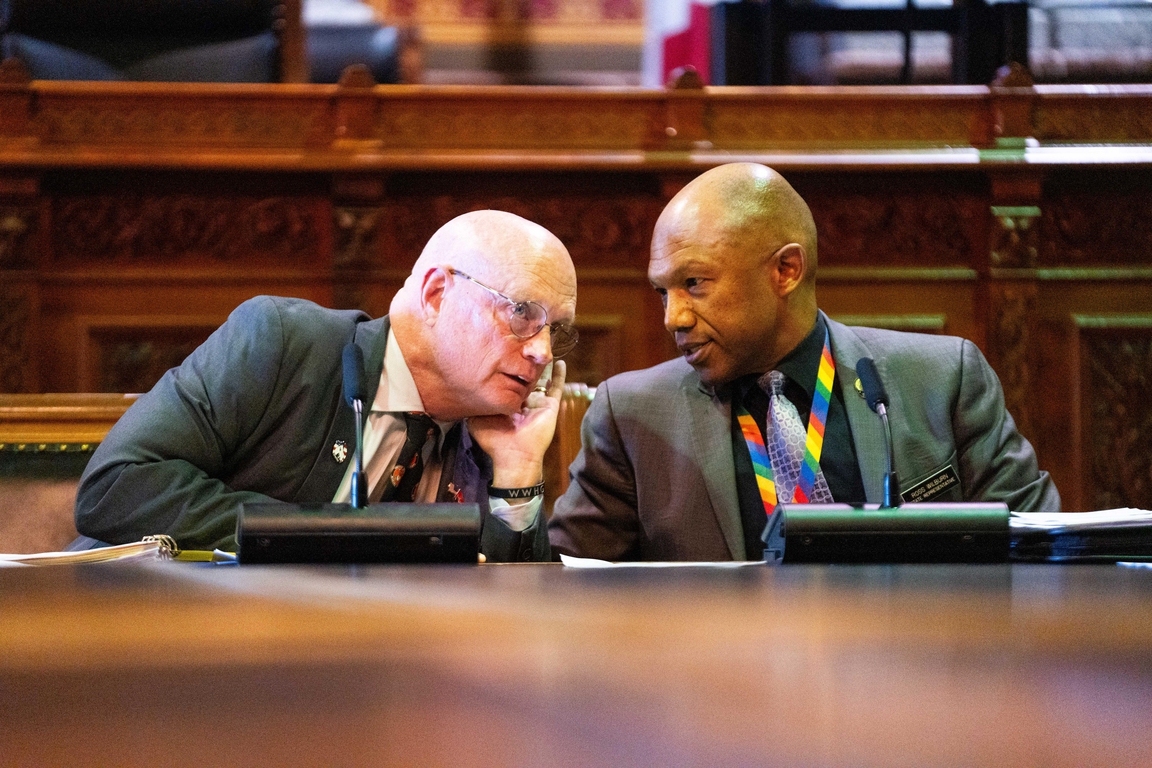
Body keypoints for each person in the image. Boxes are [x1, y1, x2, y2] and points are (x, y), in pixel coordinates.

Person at [549, 163, 1060, 561]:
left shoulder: (941, 379)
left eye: (695, 284)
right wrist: (519, 474)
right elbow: (563, 586)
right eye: (663, 292)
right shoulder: (632, 415)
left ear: (786, 270)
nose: (673, 317)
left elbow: (1043, 546)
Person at [75, 210, 578, 562]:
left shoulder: (497, 426)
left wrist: (518, 472)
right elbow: (117, 485)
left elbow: (518, 616)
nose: (542, 352)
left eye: (555, 328)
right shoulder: (283, 343)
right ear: (436, 292)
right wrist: (327, 539)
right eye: (521, 313)